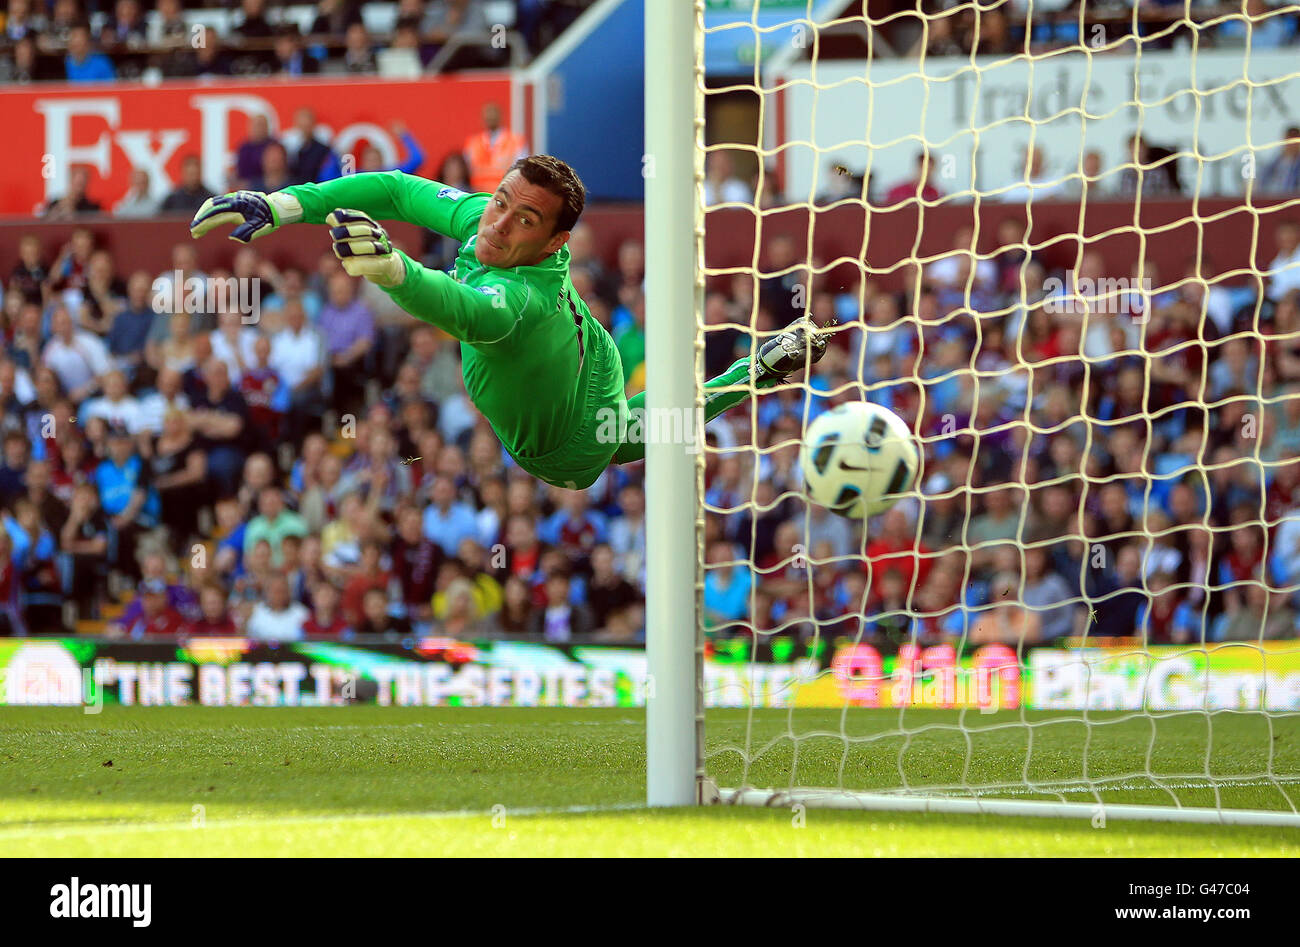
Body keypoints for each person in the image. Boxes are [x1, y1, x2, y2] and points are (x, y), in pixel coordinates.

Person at [190, 156, 829, 490]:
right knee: (653, 427)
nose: (497, 222)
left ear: (555, 243)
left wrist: (392, 270)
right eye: (500, 202)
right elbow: (392, 189)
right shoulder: (488, 222)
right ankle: (755, 376)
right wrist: (284, 202)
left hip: (563, 446)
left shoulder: (519, 301)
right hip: (587, 351)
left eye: (524, 220)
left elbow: (458, 306)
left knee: (631, 434)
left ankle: (750, 377)